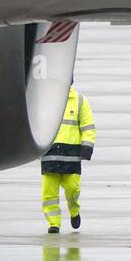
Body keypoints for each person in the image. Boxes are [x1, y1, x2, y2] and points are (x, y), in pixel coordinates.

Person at [41, 86, 95, 233]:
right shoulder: (44, 100)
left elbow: (88, 127)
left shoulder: (79, 100)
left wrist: (87, 147)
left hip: (71, 155)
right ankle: (54, 223)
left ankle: (74, 211)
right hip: (50, 154)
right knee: (49, 193)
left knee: (72, 189)